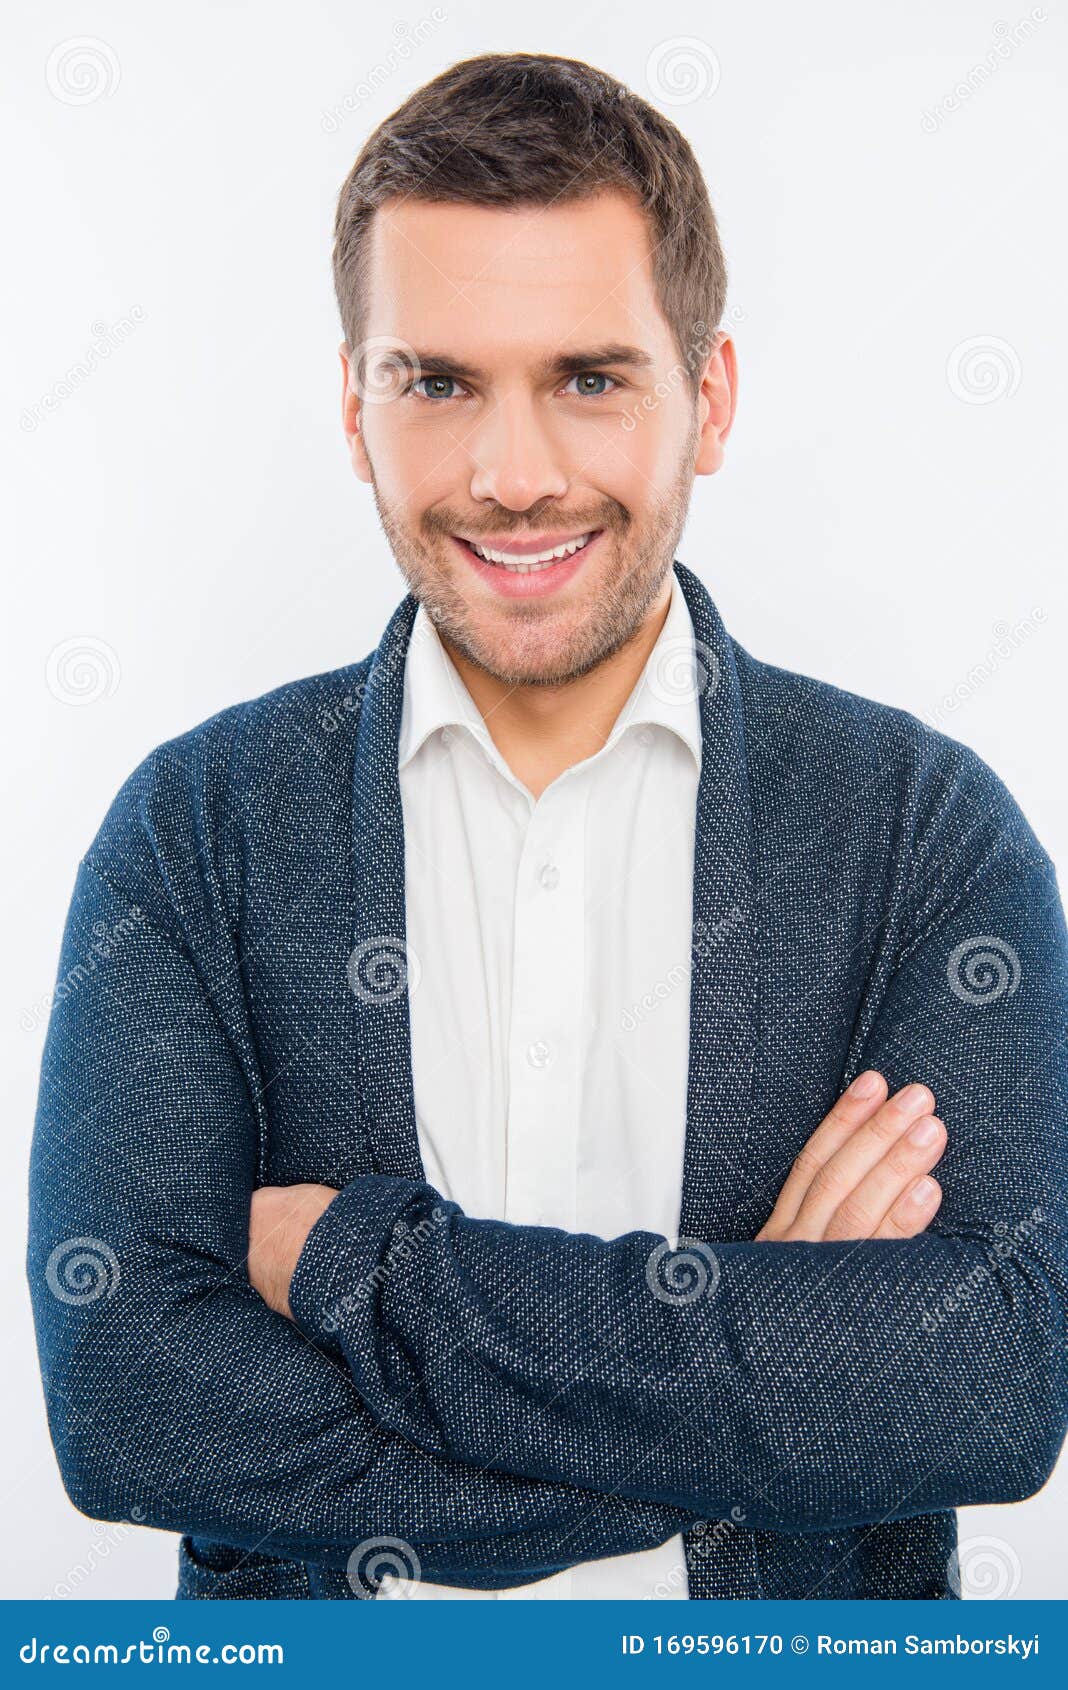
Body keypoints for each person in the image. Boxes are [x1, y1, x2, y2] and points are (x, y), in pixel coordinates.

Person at [28, 51, 1068, 1604]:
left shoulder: (922, 831)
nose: (514, 478)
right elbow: (124, 1400)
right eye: (437, 382)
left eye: (590, 377)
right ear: (353, 404)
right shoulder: (196, 832)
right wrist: (756, 1373)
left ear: (705, 398)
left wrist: (362, 1271)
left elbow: (994, 1379)